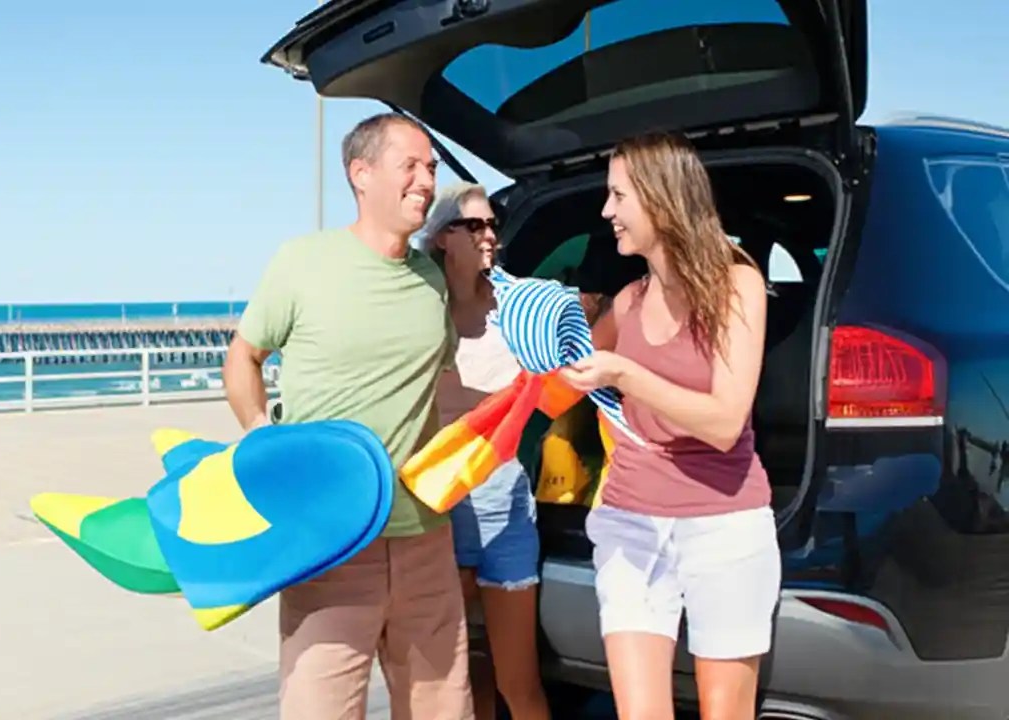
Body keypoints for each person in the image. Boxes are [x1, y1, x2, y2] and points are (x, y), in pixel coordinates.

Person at [223, 113, 474, 720]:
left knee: (444, 710)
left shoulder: (430, 282)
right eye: (409, 166)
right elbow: (243, 358)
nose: (426, 180)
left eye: (432, 168)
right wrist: (263, 442)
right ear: (360, 175)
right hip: (329, 543)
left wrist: (518, 411)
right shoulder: (302, 262)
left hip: (426, 540)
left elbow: (444, 388)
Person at [557, 131, 779, 720]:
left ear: (660, 198)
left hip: (725, 527)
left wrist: (625, 374)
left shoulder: (739, 285)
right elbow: (556, 384)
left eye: (618, 195)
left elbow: (726, 420)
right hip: (630, 524)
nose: (607, 212)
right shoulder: (627, 302)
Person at [420, 182, 551, 720]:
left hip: (505, 500)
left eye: (492, 223)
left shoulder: (517, 306)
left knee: (518, 684)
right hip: (439, 503)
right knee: (456, 682)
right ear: (442, 237)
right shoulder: (417, 310)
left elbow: (566, 352)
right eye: (474, 226)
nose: (490, 234)